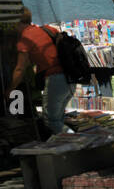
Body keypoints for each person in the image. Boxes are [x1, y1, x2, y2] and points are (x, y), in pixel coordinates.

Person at [11, 7, 71, 135]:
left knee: (50, 121)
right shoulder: (48, 29)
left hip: (55, 78)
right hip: (70, 77)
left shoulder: (25, 39)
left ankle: (77, 143)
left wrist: (10, 89)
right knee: (58, 119)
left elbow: (20, 68)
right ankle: (69, 145)